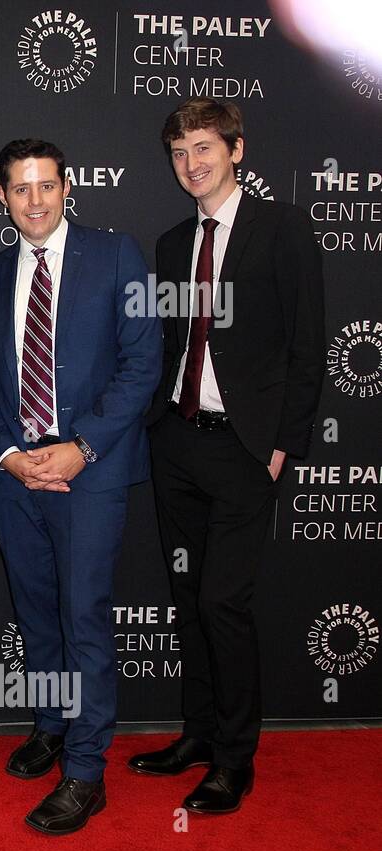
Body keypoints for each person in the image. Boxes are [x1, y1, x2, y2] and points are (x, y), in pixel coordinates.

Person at [129, 98, 325, 813]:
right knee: (188, 601)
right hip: (177, 440)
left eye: (205, 148)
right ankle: (199, 735)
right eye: (180, 153)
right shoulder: (174, 242)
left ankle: (236, 759)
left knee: (224, 604)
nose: (192, 164)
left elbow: (310, 346)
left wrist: (281, 448)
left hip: (246, 449)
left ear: (236, 150)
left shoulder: (283, 228)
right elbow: (171, 344)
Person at [0, 138, 161, 835]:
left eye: (46, 186)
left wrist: (80, 448)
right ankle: (52, 723)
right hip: (18, 476)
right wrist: (10, 454)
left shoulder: (116, 255)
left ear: (68, 185)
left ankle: (85, 770)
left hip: (93, 472)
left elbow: (142, 364)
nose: (35, 201)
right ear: (2, 198)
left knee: (82, 618)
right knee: (39, 613)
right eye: (20, 189)